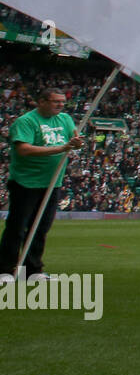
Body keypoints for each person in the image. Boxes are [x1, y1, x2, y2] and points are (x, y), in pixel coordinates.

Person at [1, 88, 83, 281]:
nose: (61, 105)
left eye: (63, 102)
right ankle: (5, 270)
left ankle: (32, 270)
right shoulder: (26, 121)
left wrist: (77, 143)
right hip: (26, 182)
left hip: (52, 182)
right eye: (56, 101)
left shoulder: (65, 119)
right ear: (42, 102)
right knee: (17, 228)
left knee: (41, 228)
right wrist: (61, 148)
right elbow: (24, 149)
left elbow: (74, 138)